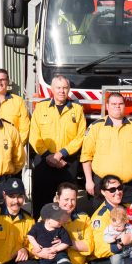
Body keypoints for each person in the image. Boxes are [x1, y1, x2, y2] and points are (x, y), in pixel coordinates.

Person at [28, 75, 86, 216]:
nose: (62, 91)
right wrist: (49, 156)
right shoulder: (41, 108)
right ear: (52, 89)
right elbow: (34, 135)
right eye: (58, 88)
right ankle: (40, 229)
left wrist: (61, 154)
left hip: (67, 162)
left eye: (65, 88)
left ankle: (67, 230)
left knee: (68, 203)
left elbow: (80, 137)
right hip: (44, 161)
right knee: (41, 200)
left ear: (69, 89)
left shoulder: (77, 109)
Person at [81, 91, 132, 197]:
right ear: (107, 106)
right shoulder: (96, 127)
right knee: (102, 214)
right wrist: (89, 180)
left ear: (124, 106)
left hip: (131, 187)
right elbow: (86, 156)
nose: (117, 106)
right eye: (114, 104)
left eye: (120, 104)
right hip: (104, 186)